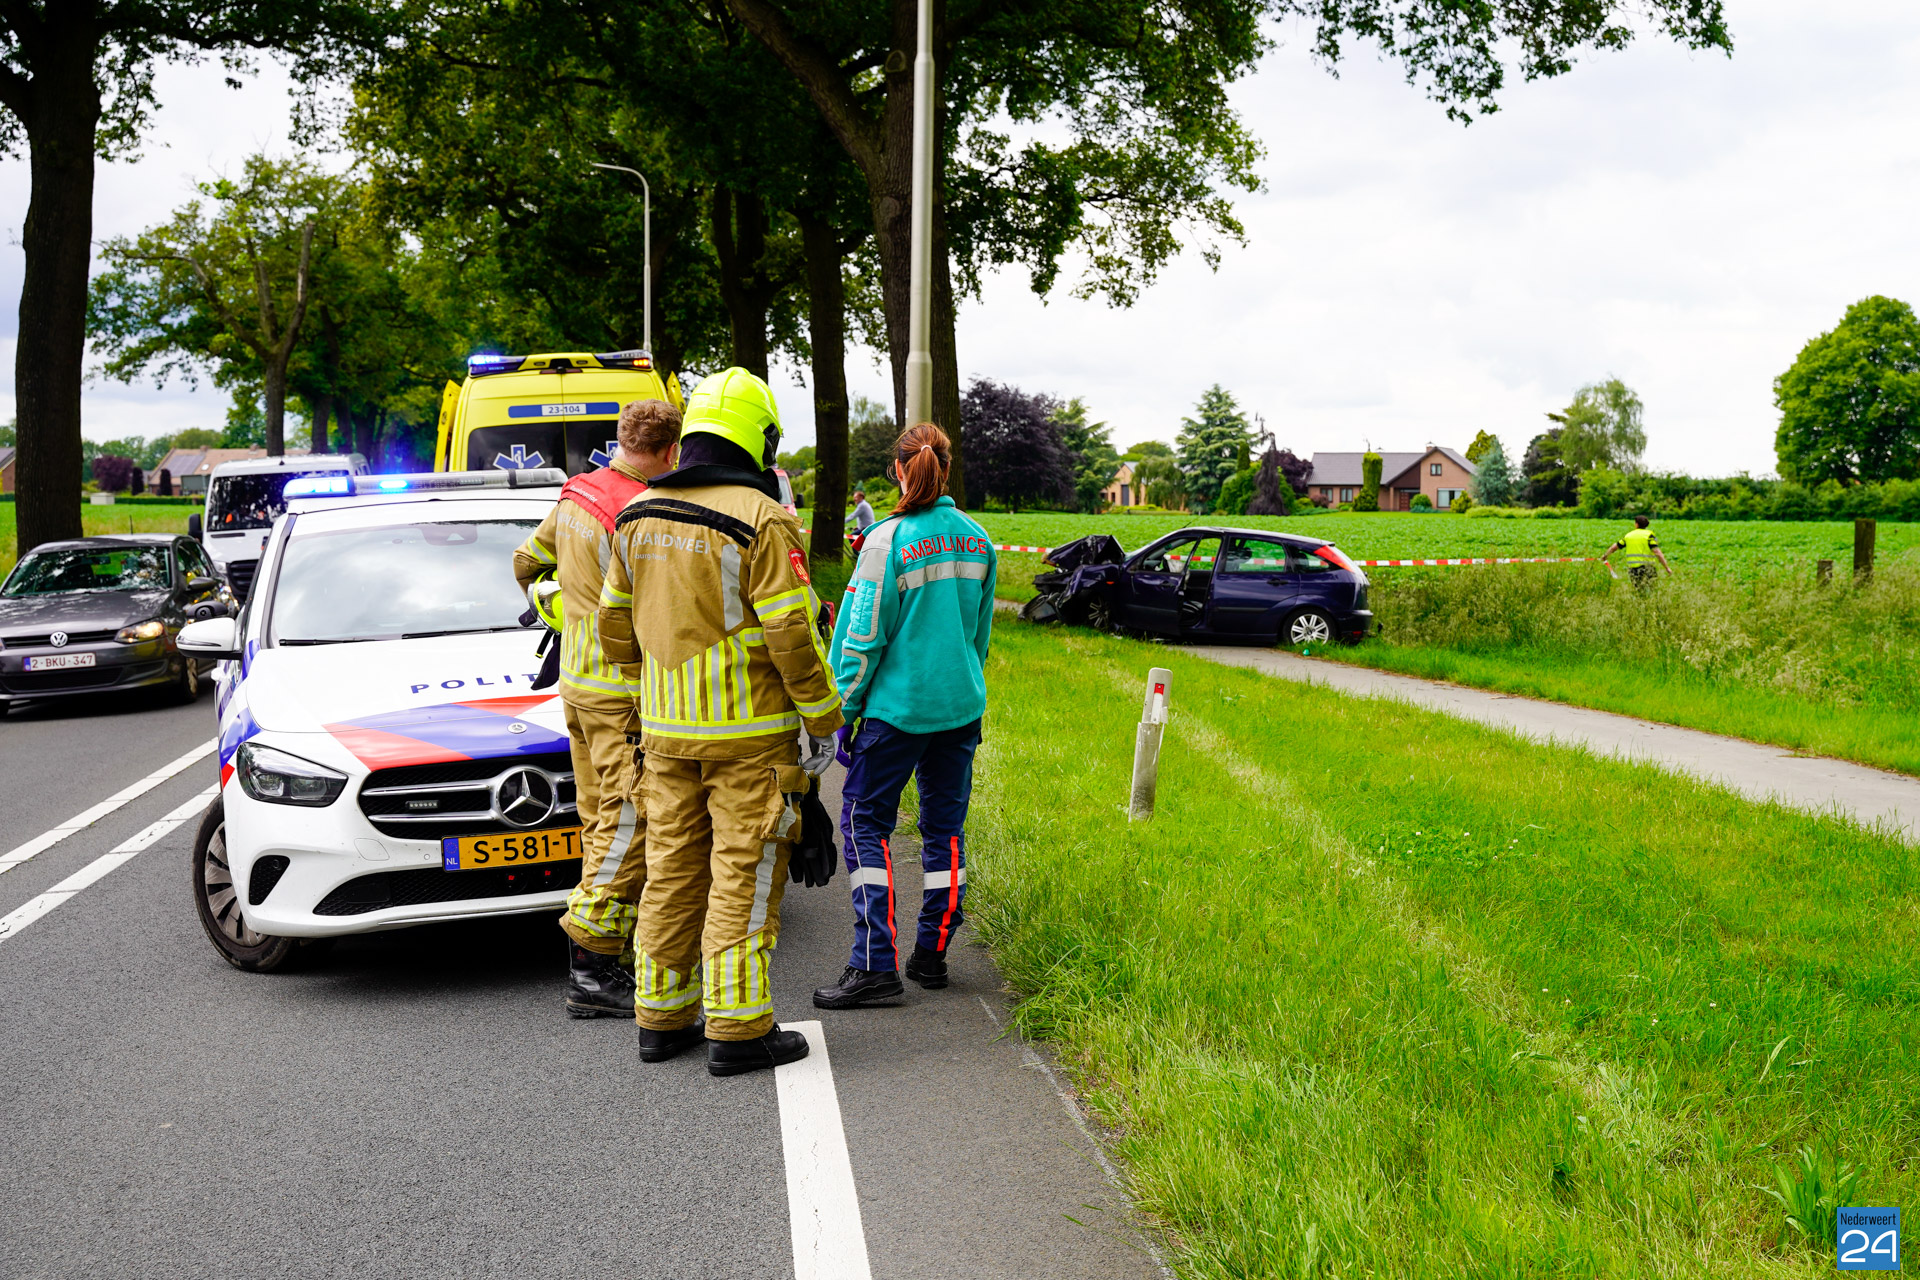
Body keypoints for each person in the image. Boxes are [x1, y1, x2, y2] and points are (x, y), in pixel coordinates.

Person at [598, 368, 843, 1076]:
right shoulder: (762, 519)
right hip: (748, 742)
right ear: (758, 438)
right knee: (741, 872)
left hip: (665, 737)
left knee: (670, 870)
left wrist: (650, 693)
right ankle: (737, 1032)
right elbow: (791, 635)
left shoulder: (636, 515)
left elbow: (614, 624)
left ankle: (661, 1018)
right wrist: (824, 721)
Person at [813, 424, 997, 1009]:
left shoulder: (883, 541)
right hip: (959, 709)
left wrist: (845, 711)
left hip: (895, 715)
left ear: (899, 470)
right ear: (944, 466)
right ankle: (932, 954)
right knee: (945, 830)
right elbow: (980, 639)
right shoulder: (979, 539)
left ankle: (873, 964)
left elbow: (860, 639)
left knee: (866, 824)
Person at [513, 399, 683, 1018]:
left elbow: (525, 564)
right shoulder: (633, 513)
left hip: (577, 690)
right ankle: (589, 965)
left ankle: (613, 953)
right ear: (671, 451)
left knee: (597, 820)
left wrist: (557, 603)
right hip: (623, 696)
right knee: (627, 822)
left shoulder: (576, 495)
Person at [1602, 514, 1672, 590]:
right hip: (1648, 568)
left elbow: (1614, 547)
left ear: (1636, 524)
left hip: (1633, 569)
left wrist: (1605, 555)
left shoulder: (1629, 536)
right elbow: (1657, 552)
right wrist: (1666, 567)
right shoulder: (1649, 535)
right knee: (1651, 590)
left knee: (1639, 590)